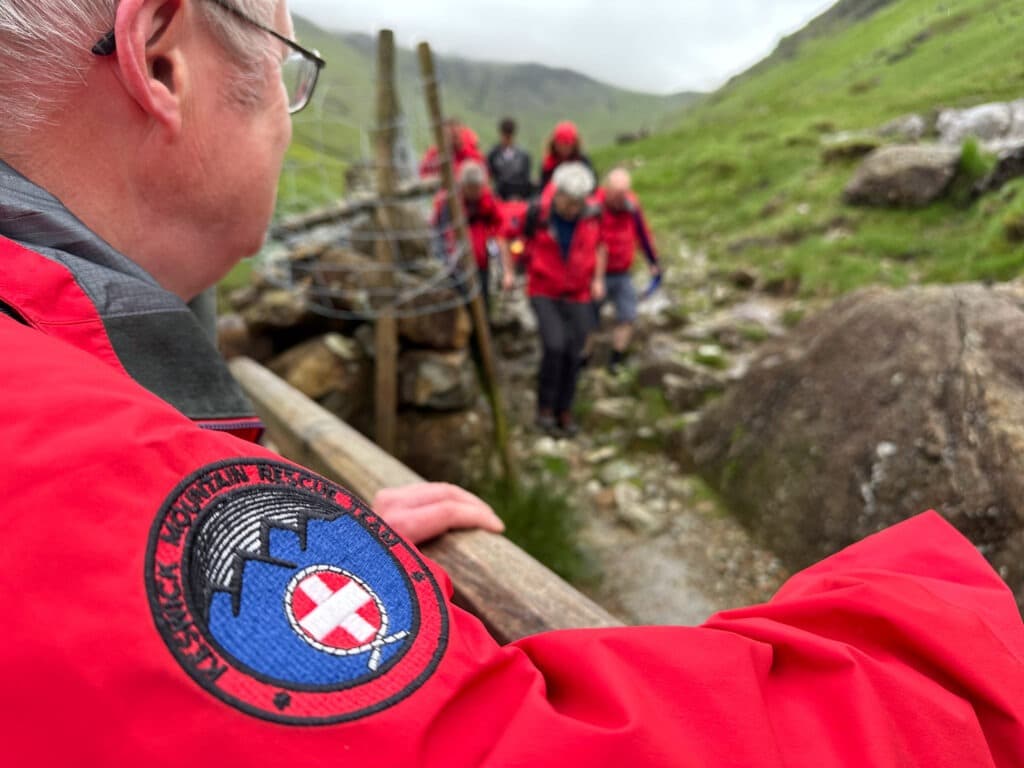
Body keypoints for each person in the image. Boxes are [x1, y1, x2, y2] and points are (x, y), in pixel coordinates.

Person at [1, 3, 1023, 767]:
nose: (290, 116)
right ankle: (551, 410)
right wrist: (970, 641)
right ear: (162, 57)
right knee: (564, 353)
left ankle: (559, 410)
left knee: (573, 357)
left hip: (564, 292)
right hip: (554, 292)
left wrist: (271, 554)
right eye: (284, 72)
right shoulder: (78, 461)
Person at [516, 162, 606, 436]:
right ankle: (545, 408)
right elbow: (516, 241)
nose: (572, 209)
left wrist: (598, 279)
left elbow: (601, 246)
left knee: (575, 352)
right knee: (554, 346)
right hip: (544, 291)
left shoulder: (592, 218)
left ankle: (564, 410)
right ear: (557, 194)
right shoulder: (537, 215)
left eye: (578, 203)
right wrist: (514, 268)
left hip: (578, 293)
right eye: (568, 202)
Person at [593, 168, 661, 371]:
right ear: (607, 190)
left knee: (628, 316)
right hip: (595, 274)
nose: (620, 199)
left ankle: (616, 360)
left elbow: (642, 233)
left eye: (624, 193)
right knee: (586, 318)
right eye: (616, 194)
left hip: (622, 272)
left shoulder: (632, 206)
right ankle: (582, 359)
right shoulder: (594, 206)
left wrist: (652, 261)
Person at [433, 161, 510, 312]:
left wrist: (495, 250)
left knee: (483, 299)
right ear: (463, 185)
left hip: (481, 260)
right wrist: (444, 258)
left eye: (478, 187)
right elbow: (439, 231)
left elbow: (498, 227)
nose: (475, 192)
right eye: (471, 188)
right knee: (461, 302)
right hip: (456, 263)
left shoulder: (487, 202)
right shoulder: (449, 202)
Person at [419, 117, 484, 179]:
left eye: (455, 135)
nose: (452, 139)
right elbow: (424, 174)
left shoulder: (471, 154)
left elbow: (482, 175)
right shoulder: (434, 154)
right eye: (449, 135)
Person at [486, 116, 533, 201]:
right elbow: (488, 177)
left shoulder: (524, 155)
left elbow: (526, 180)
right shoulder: (493, 154)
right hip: (499, 198)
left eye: (509, 136)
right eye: (505, 136)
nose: (507, 140)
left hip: (519, 198)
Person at [539, 119, 594, 189]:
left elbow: (592, 183)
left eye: (567, 144)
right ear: (554, 143)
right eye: (560, 144)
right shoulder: (548, 163)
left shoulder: (582, 160)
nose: (563, 148)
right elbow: (543, 187)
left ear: (574, 144)